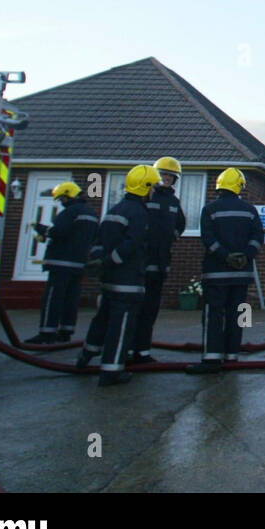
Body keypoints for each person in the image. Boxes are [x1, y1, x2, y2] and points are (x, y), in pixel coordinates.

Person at [76, 165, 159, 387]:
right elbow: (132, 244)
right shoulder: (140, 214)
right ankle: (111, 370)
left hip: (110, 281)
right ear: (146, 187)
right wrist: (110, 260)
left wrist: (100, 262)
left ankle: (85, 356)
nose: (154, 193)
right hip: (128, 280)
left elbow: (99, 241)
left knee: (101, 319)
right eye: (153, 188)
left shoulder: (115, 209)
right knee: (121, 326)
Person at [185, 167, 264, 374]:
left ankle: (212, 358)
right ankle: (232, 354)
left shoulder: (209, 210)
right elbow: (258, 238)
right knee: (237, 314)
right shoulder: (250, 210)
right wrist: (245, 255)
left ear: (219, 186)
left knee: (214, 314)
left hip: (216, 274)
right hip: (241, 275)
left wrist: (225, 256)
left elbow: (208, 239)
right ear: (239, 187)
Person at [129, 156, 187, 365]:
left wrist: (172, 235)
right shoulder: (145, 198)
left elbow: (180, 224)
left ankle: (142, 351)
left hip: (160, 262)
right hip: (140, 262)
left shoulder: (173, 202)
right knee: (133, 307)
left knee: (150, 309)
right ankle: (126, 349)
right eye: (164, 175)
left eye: (171, 177)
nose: (167, 180)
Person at [25, 182, 99, 344]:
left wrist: (40, 228)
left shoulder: (70, 212)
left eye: (62, 199)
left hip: (60, 262)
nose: (61, 202)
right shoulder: (92, 214)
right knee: (71, 299)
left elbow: (57, 232)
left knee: (54, 298)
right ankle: (66, 331)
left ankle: (47, 332)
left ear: (68, 195)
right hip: (79, 263)